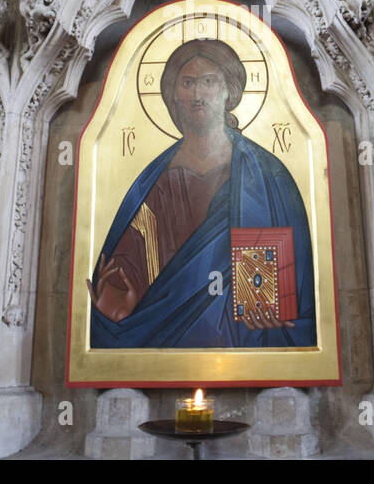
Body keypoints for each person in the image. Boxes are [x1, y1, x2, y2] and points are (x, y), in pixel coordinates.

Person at [88, 38, 316, 348]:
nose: (198, 94)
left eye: (209, 82)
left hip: (245, 338)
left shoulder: (267, 174)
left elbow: (293, 276)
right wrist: (117, 307)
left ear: (229, 91)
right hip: (161, 338)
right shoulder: (152, 180)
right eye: (188, 83)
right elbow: (127, 268)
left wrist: (278, 307)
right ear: (174, 95)